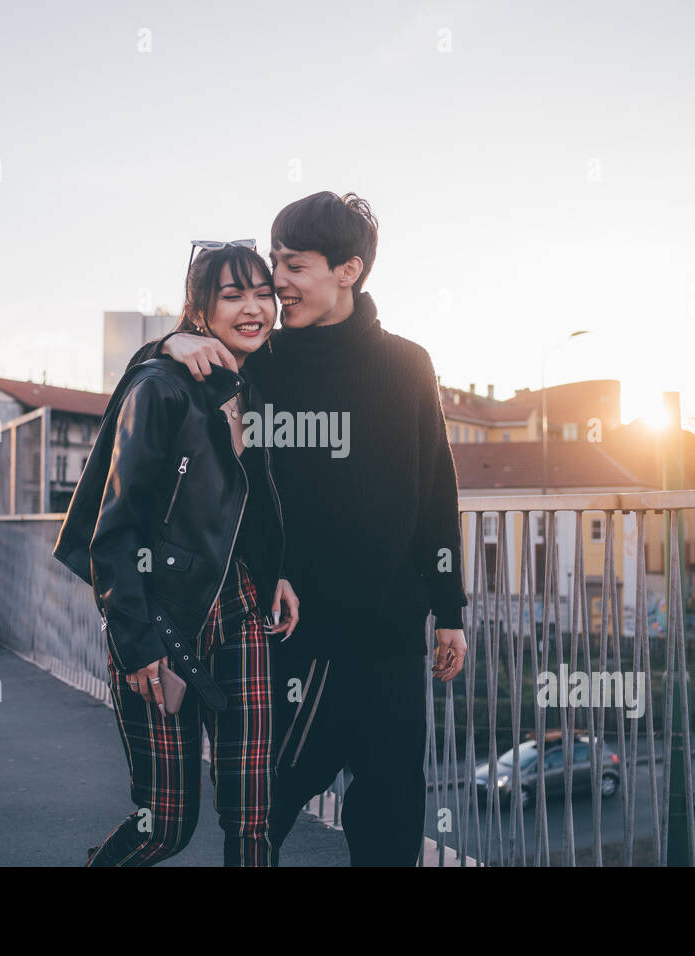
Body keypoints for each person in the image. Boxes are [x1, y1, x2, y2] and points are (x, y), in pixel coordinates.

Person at [127, 193, 469, 866]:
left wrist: (449, 609)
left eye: (293, 264)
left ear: (348, 270)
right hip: (294, 639)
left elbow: (437, 489)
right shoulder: (260, 361)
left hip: (393, 641)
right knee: (259, 811)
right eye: (274, 261)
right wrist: (174, 339)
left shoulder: (408, 365)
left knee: (391, 819)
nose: (276, 281)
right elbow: (154, 387)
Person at [55, 240, 299, 866]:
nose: (253, 308)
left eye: (262, 292)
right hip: (164, 617)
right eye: (233, 294)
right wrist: (137, 643)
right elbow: (116, 528)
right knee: (165, 824)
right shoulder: (161, 389)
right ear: (198, 311)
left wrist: (277, 575)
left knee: (254, 819)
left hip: (242, 612)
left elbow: (257, 500)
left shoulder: (260, 379)